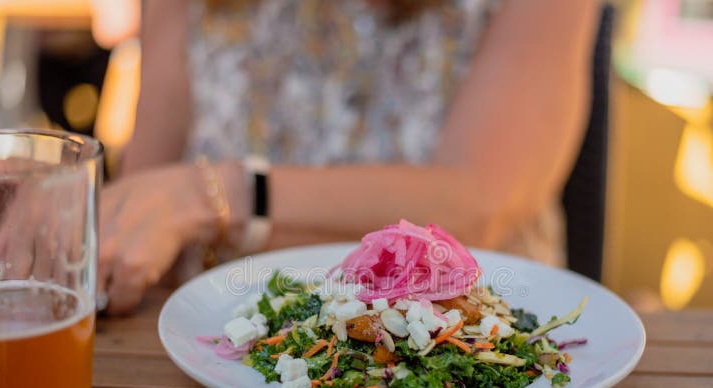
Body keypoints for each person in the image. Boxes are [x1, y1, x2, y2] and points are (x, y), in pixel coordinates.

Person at [99, 0, 599, 314]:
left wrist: (213, 197)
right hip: (216, 350)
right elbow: (140, 205)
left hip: (472, 366)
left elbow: (481, 202)